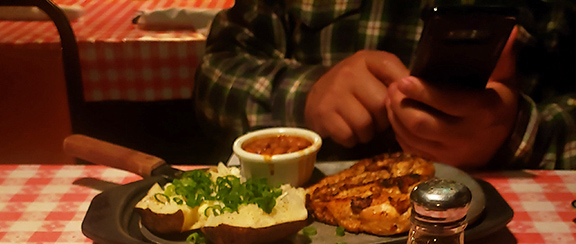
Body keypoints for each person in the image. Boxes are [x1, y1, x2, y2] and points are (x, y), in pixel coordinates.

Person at [193, 0, 576, 170]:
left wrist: (519, 132)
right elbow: (215, 74)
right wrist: (305, 95)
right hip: (311, 212)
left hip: (503, 215)